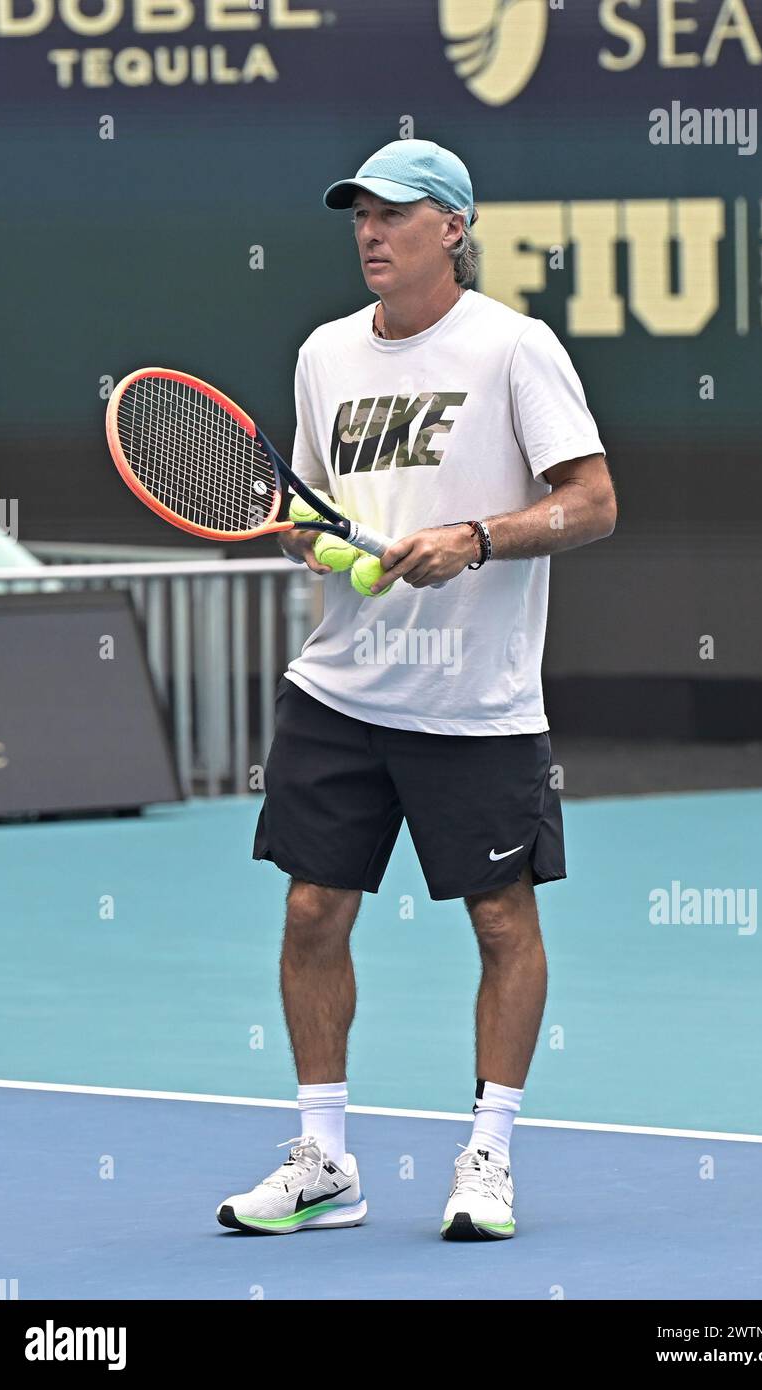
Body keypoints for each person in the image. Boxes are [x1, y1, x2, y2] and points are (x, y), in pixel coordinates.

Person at [217, 139, 615, 1241]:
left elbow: (591, 503)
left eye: (393, 215)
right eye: (358, 216)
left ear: (452, 227)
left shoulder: (513, 350)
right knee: (309, 910)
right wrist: (316, 541)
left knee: (499, 919)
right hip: (339, 690)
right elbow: (311, 506)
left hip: (473, 703)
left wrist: (476, 538)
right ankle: (324, 1159)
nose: (369, 233)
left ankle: (486, 1152)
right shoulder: (322, 355)